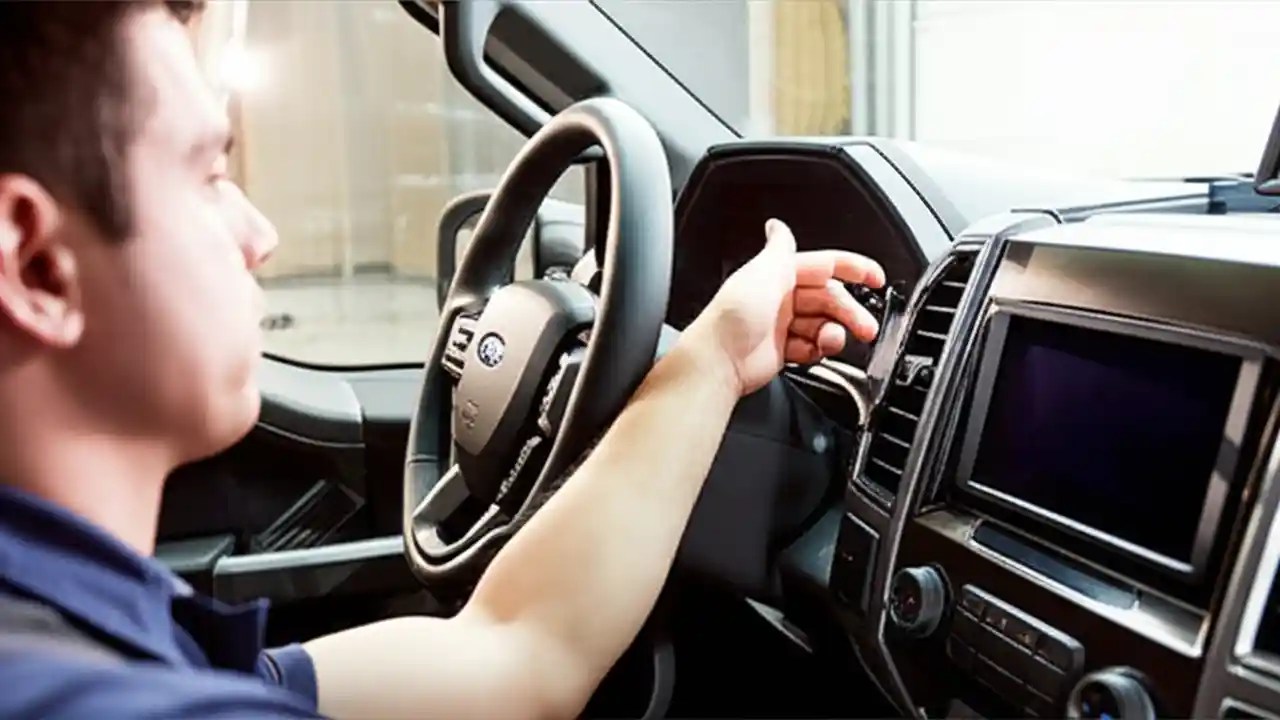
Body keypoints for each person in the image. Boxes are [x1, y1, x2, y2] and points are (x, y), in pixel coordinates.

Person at [0, 2, 885, 718]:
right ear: (36, 265)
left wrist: (715, 357)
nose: (259, 235)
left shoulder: (94, 635)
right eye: (208, 176)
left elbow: (515, 652)